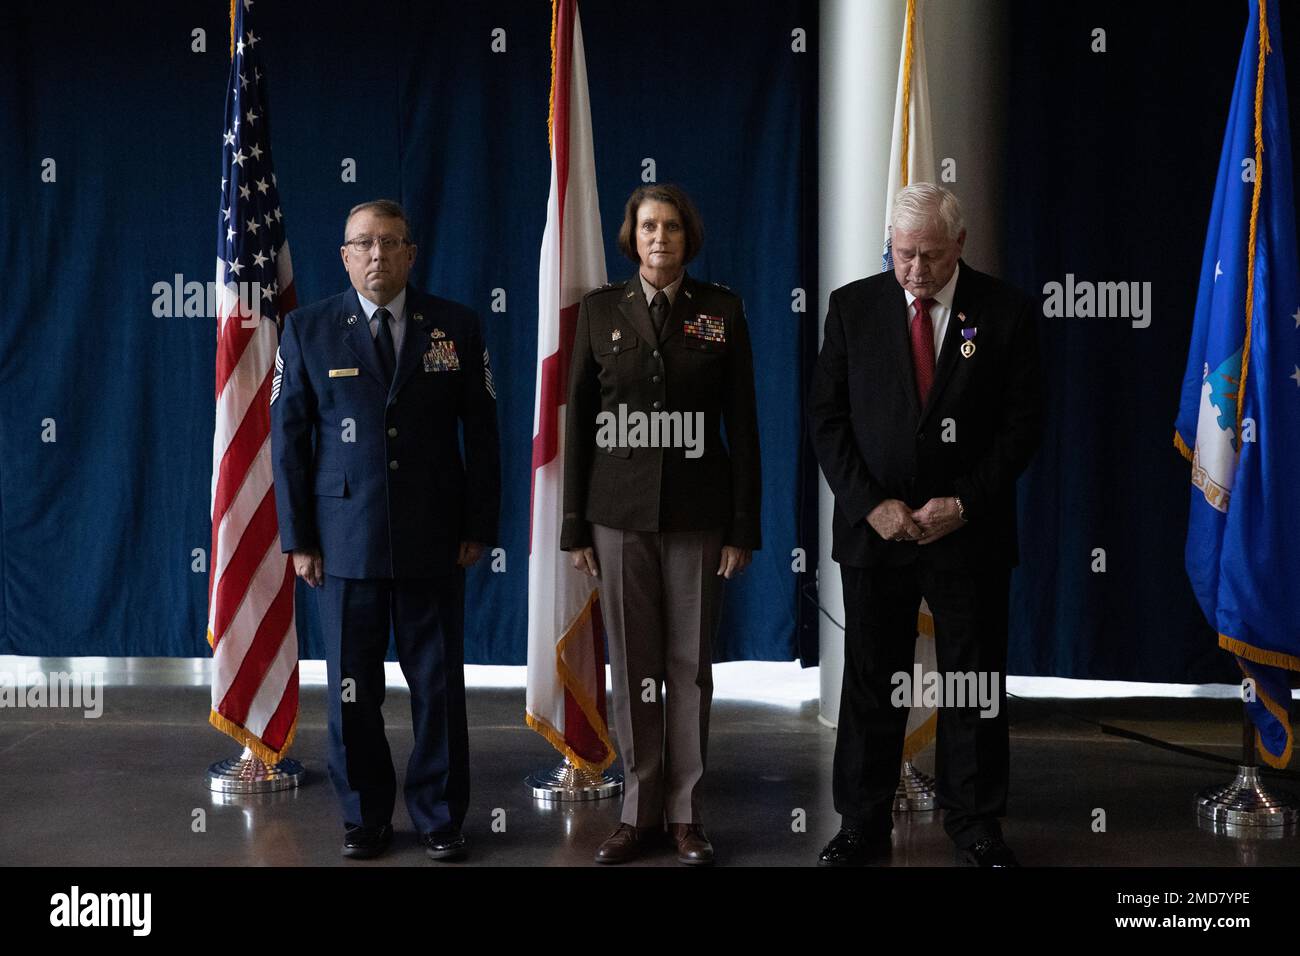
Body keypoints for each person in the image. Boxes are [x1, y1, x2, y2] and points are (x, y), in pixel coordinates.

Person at [809, 183, 1043, 867]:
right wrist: (870, 506)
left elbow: (1022, 425)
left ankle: (975, 824)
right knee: (871, 680)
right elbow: (826, 420)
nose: (915, 270)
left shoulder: (1006, 312)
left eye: (931, 257)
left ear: (960, 246)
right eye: (904, 254)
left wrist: (963, 503)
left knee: (973, 681)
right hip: (875, 531)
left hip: (967, 531)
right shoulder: (852, 308)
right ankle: (861, 823)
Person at [271, 199, 500, 861]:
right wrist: (299, 538)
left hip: (435, 538)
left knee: (437, 688)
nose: (377, 254)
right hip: (343, 543)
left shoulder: (455, 326)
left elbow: (483, 436)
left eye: (390, 242)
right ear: (345, 256)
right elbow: (287, 443)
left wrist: (478, 523)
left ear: (411, 253)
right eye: (363, 244)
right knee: (352, 692)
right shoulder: (308, 330)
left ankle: (438, 816)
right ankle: (365, 816)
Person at [561, 184, 762, 865]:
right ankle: (636, 810)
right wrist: (574, 527)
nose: (659, 238)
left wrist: (742, 527)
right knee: (634, 665)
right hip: (617, 517)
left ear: (687, 236)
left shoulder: (720, 310)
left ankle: (686, 814)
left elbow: (745, 427)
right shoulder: (598, 312)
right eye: (648, 226)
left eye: (671, 227)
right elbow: (578, 425)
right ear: (632, 236)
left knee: (688, 668)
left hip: (698, 516)